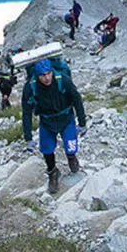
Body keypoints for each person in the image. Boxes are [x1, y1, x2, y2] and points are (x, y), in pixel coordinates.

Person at [21, 59, 87, 193]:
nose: (46, 78)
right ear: (37, 76)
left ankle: (71, 157)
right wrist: (28, 138)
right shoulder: (30, 86)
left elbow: (76, 99)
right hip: (47, 121)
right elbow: (26, 112)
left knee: (71, 145)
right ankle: (52, 172)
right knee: (47, 149)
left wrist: (82, 123)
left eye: (48, 73)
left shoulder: (63, 80)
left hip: (66, 118)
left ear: (52, 71)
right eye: (42, 75)